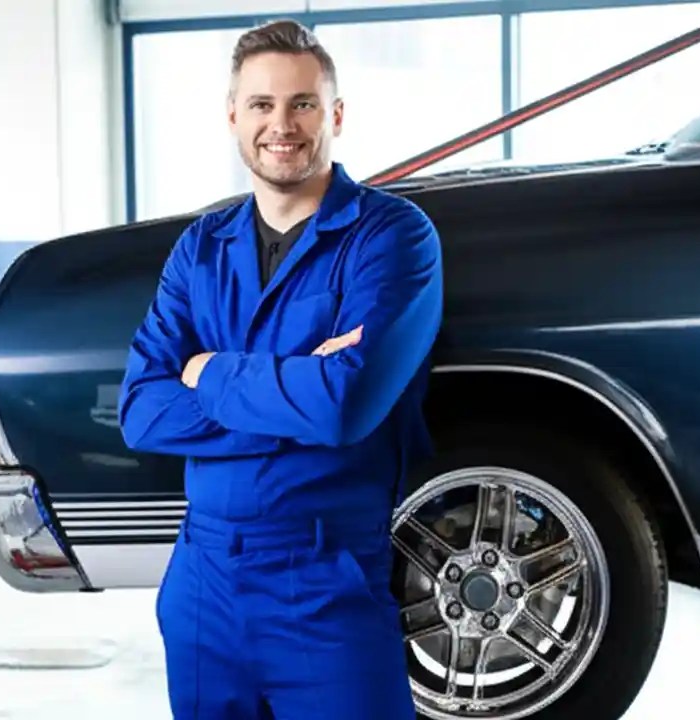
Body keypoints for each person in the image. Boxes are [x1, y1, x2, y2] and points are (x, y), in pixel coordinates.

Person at [117, 18, 444, 720]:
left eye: (302, 103)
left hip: (324, 577)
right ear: (234, 116)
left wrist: (205, 371)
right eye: (262, 105)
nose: (282, 125)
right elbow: (141, 410)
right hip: (202, 584)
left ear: (336, 114)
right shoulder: (201, 248)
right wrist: (293, 382)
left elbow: (346, 405)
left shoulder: (392, 237)